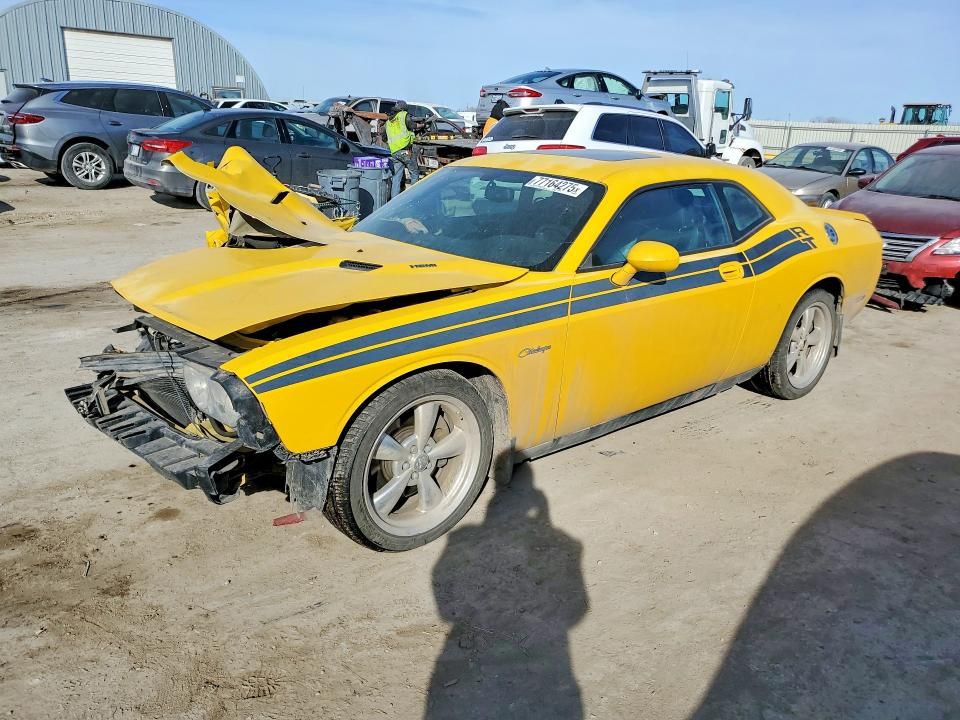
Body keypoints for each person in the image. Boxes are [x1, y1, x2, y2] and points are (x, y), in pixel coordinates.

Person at [386, 101, 423, 197]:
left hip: (394, 152)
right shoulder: (403, 115)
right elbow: (413, 125)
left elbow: (385, 137)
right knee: (414, 173)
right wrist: (422, 125)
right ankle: (413, 197)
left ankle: (394, 201)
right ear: (403, 109)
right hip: (405, 151)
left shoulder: (389, 121)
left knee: (396, 177)